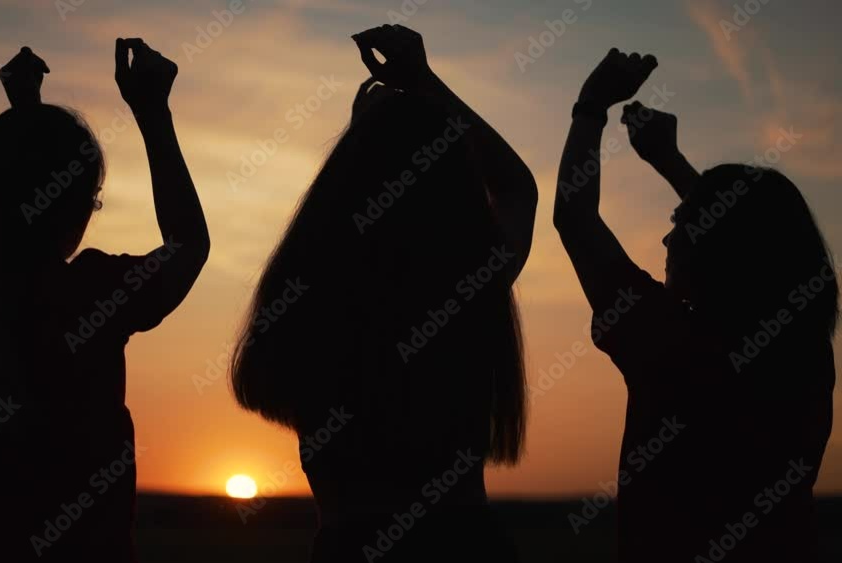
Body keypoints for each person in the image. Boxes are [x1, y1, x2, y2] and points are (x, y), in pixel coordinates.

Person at [230, 25, 537, 562]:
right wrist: (426, 83)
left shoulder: (306, 297)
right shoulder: (465, 284)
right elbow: (515, 186)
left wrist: (365, 144)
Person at [0, 41, 209, 562]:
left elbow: (9, 241)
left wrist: (26, 119)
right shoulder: (94, 293)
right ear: (77, 208)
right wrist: (153, 113)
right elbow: (189, 245)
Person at [554, 49, 837, 563]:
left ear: (709, 253)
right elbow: (747, 243)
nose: (665, 239)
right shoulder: (804, 351)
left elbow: (574, 218)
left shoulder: (671, 345)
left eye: (679, 226)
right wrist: (669, 162)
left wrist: (590, 105)